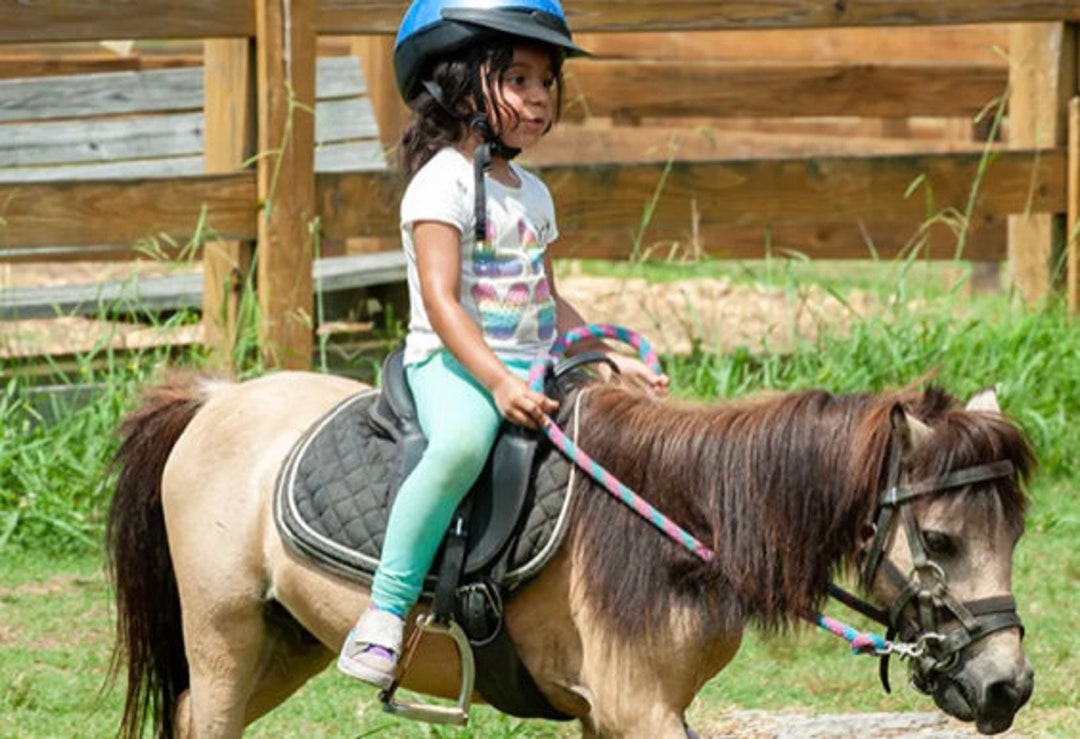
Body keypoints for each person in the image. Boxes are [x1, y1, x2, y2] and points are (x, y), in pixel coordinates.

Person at [337, 0, 669, 689]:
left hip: (531, 361)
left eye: (547, 82)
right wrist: (494, 381)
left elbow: (548, 298)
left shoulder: (534, 194)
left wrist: (604, 356)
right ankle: (385, 611)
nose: (539, 98)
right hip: (454, 363)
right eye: (518, 79)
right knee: (461, 444)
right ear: (458, 82)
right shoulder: (441, 183)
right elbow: (441, 300)